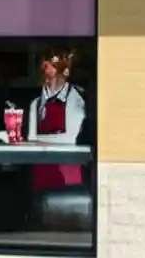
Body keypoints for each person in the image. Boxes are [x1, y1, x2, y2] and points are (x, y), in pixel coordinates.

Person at [27, 47, 86, 191]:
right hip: (41, 173)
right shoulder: (36, 104)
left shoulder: (75, 99)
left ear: (66, 72)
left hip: (67, 174)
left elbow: (71, 139)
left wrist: (37, 140)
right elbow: (31, 138)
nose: (47, 74)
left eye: (53, 67)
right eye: (45, 67)